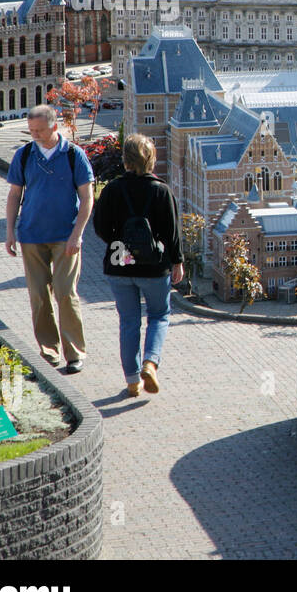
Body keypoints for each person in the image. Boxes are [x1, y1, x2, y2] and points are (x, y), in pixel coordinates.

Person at [5, 104, 96, 374]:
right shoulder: (23, 156)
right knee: (38, 295)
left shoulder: (74, 156)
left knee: (65, 292)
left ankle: (75, 353)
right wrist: (10, 231)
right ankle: (49, 351)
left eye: (41, 131)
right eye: (32, 131)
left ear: (55, 126)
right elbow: (14, 195)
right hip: (31, 235)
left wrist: (77, 235)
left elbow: (87, 198)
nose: (36, 136)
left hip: (65, 236)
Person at [92, 134, 183, 399]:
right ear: (151, 159)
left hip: (119, 266)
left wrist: (119, 241)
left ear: (126, 160)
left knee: (128, 321)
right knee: (159, 315)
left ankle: (132, 382)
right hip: (154, 268)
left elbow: (99, 228)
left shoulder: (112, 190)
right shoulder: (161, 190)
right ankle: (150, 364)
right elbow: (172, 232)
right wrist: (177, 261)